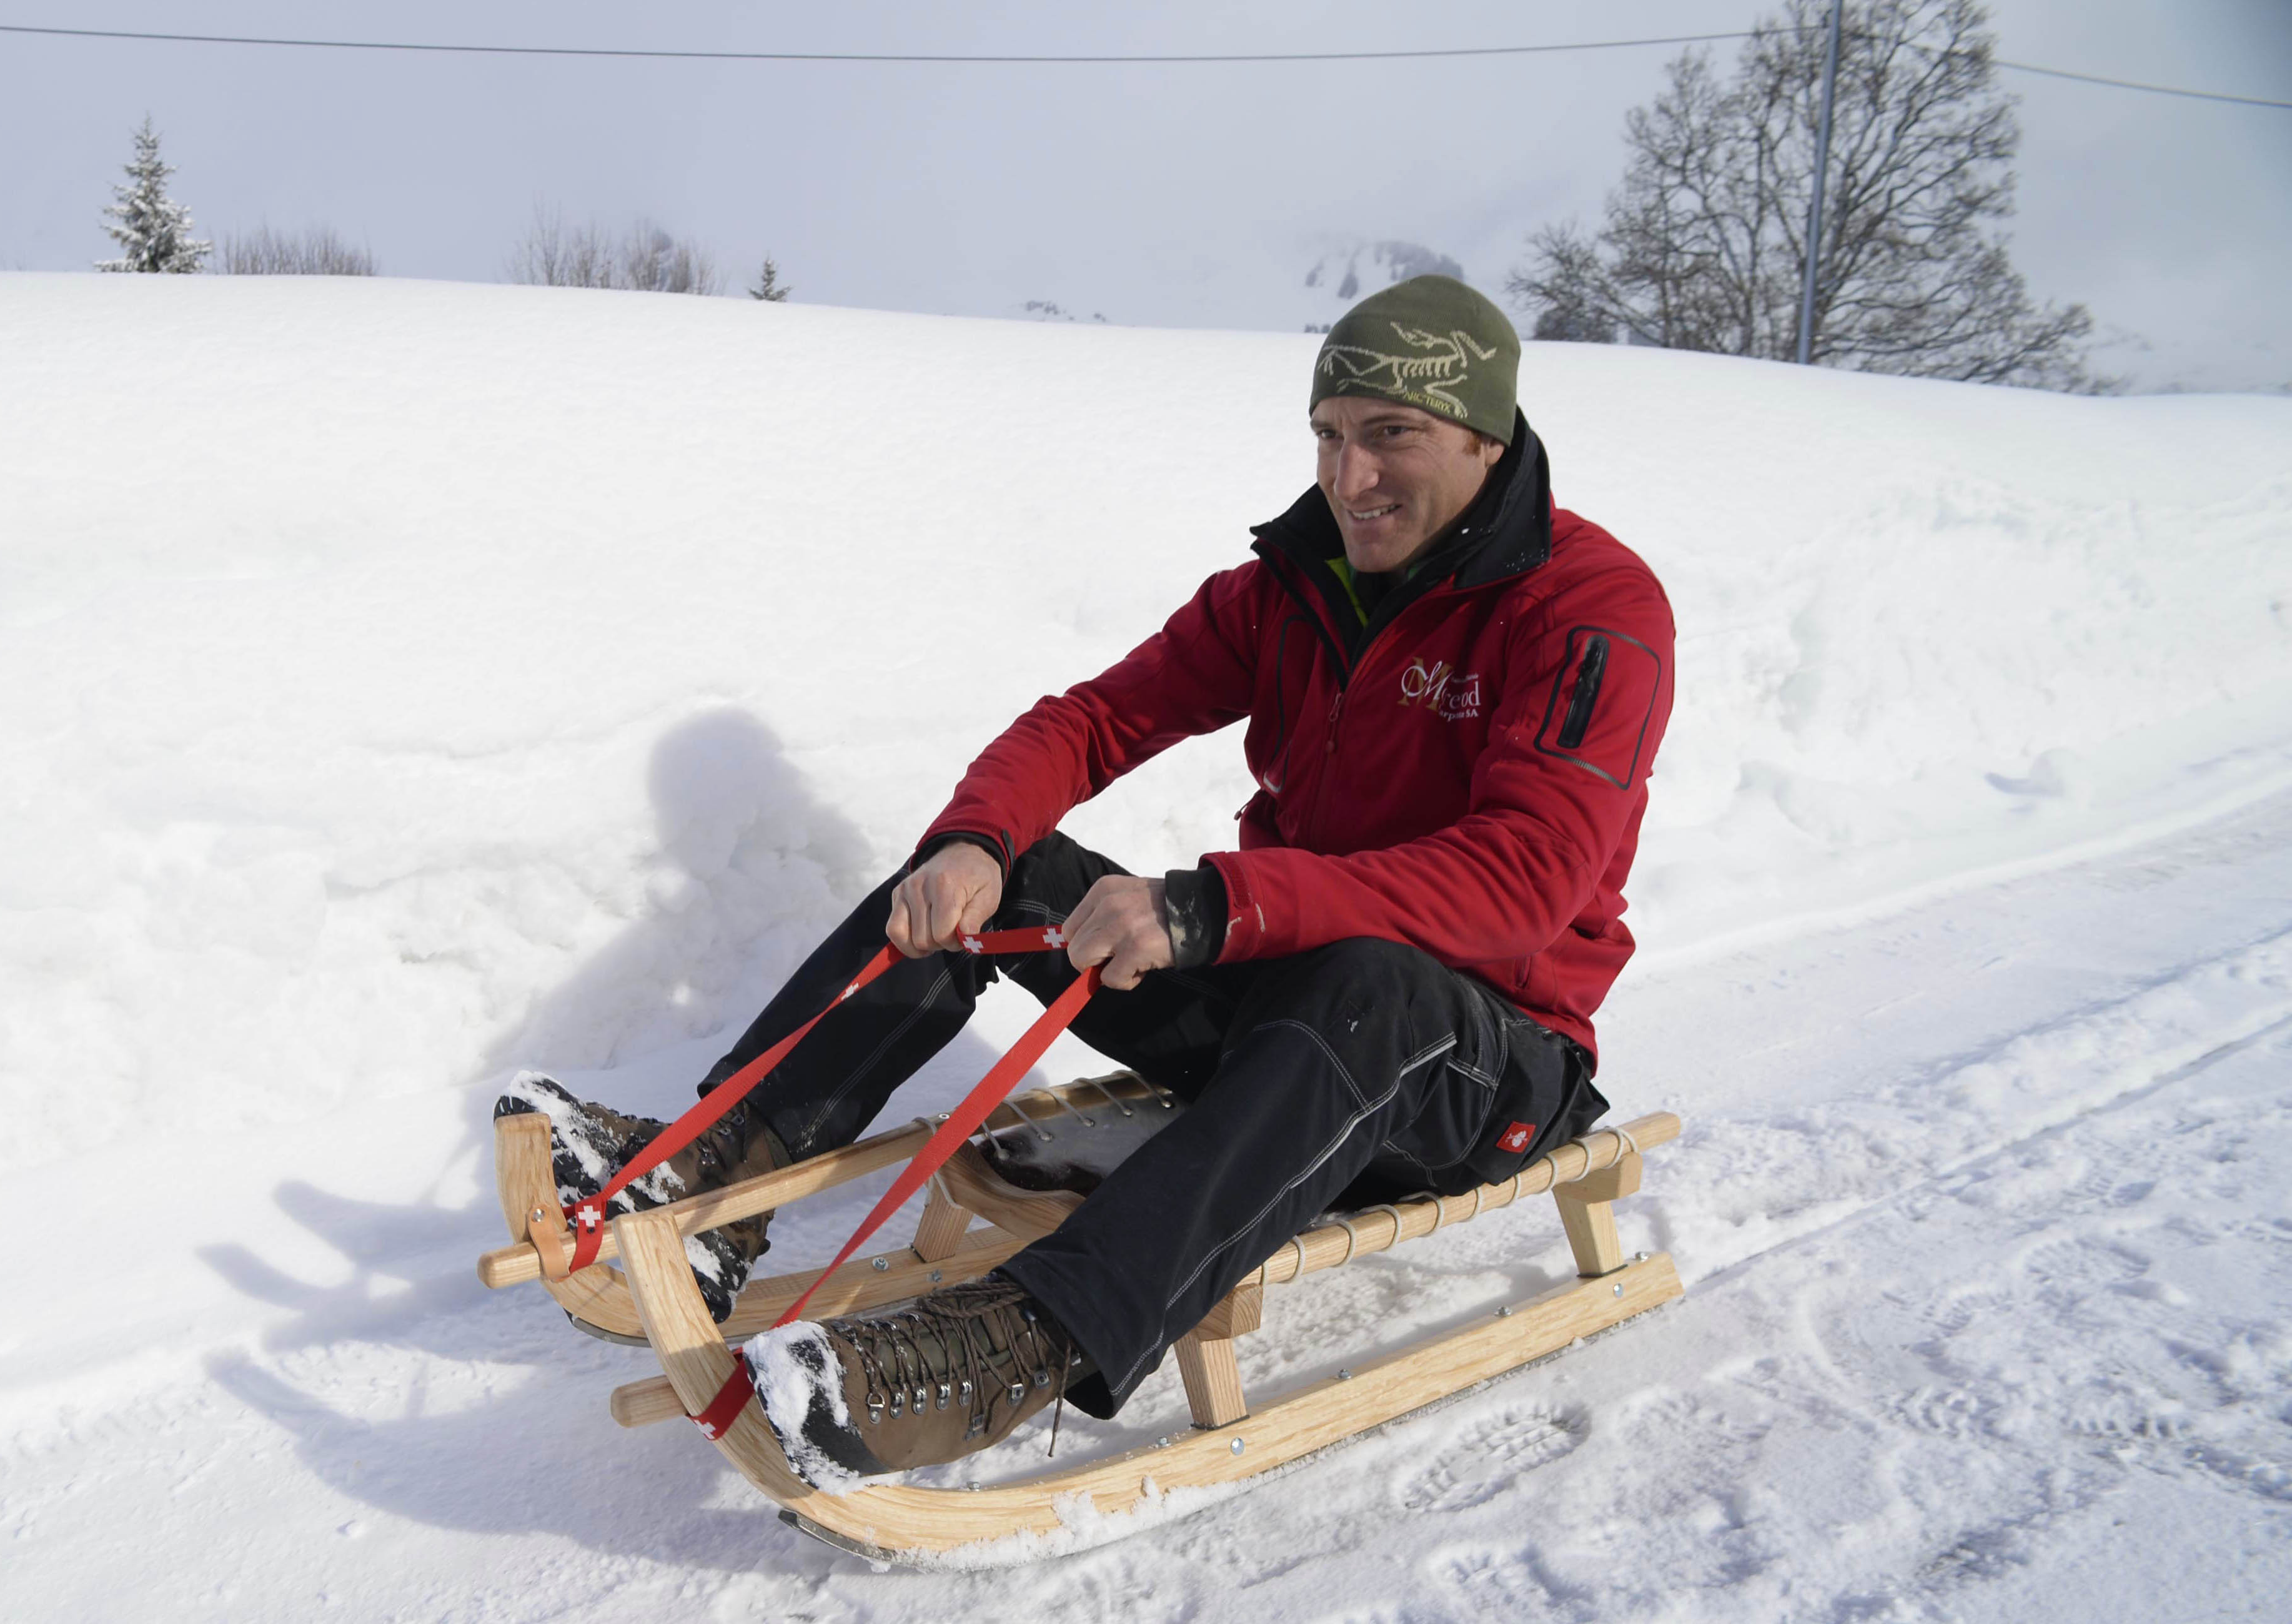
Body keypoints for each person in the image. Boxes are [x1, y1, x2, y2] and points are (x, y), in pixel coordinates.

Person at [498, 274, 1675, 1488]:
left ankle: (1008, 1345)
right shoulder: (1299, 584)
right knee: (1007, 877)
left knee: (1376, 983)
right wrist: (977, 840)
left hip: (1481, 1066)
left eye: (1393, 436)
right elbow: (1097, 717)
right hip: (1284, 1005)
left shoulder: (1588, 609)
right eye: (1330, 434)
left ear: (1485, 436)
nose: (1349, 475)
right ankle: (719, 1178)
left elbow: (1524, 879)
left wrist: (1215, 906)